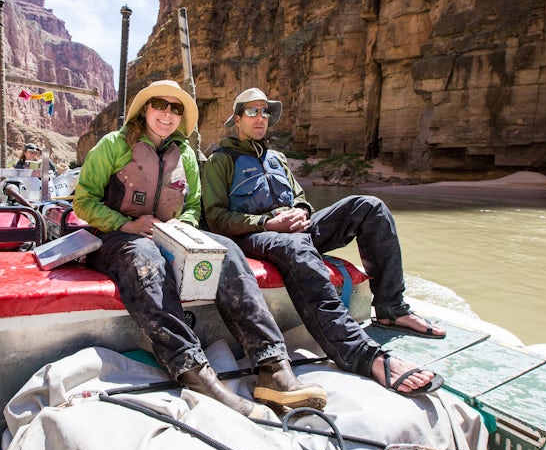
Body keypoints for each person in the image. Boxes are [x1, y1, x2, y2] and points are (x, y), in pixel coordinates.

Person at [74, 80, 327, 417]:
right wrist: (127, 225)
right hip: (116, 235)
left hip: (169, 234)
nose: (167, 113)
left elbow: (193, 204)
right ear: (145, 109)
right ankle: (193, 372)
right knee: (146, 259)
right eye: (159, 105)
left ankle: (272, 367)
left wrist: (183, 228)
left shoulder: (187, 156)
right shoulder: (112, 146)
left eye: (175, 108)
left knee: (227, 251)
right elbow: (83, 201)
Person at [201, 87, 445, 396]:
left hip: (292, 228)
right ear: (237, 119)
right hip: (254, 234)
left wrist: (302, 213)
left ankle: (391, 308)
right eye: (252, 111)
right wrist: (269, 222)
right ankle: (357, 352)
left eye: (265, 112)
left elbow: (301, 199)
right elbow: (215, 218)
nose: (260, 118)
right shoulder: (221, 159)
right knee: (297, 246)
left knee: (369, 207)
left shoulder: (277, 158)